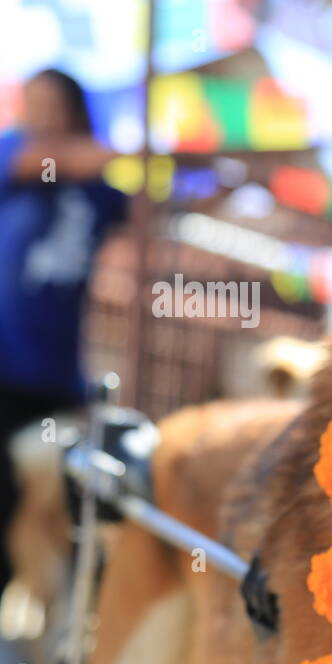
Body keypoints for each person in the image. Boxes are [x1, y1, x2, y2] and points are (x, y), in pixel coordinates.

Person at [0, 68, 126, 596]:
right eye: (34, 103)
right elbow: (52, 160)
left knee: (57, 510)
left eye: (53, 104)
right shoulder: (17, 153)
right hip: (3, 367)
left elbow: (137, 208)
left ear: (76, 109)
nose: (41, 114)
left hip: (54, 378)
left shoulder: (98, 190)